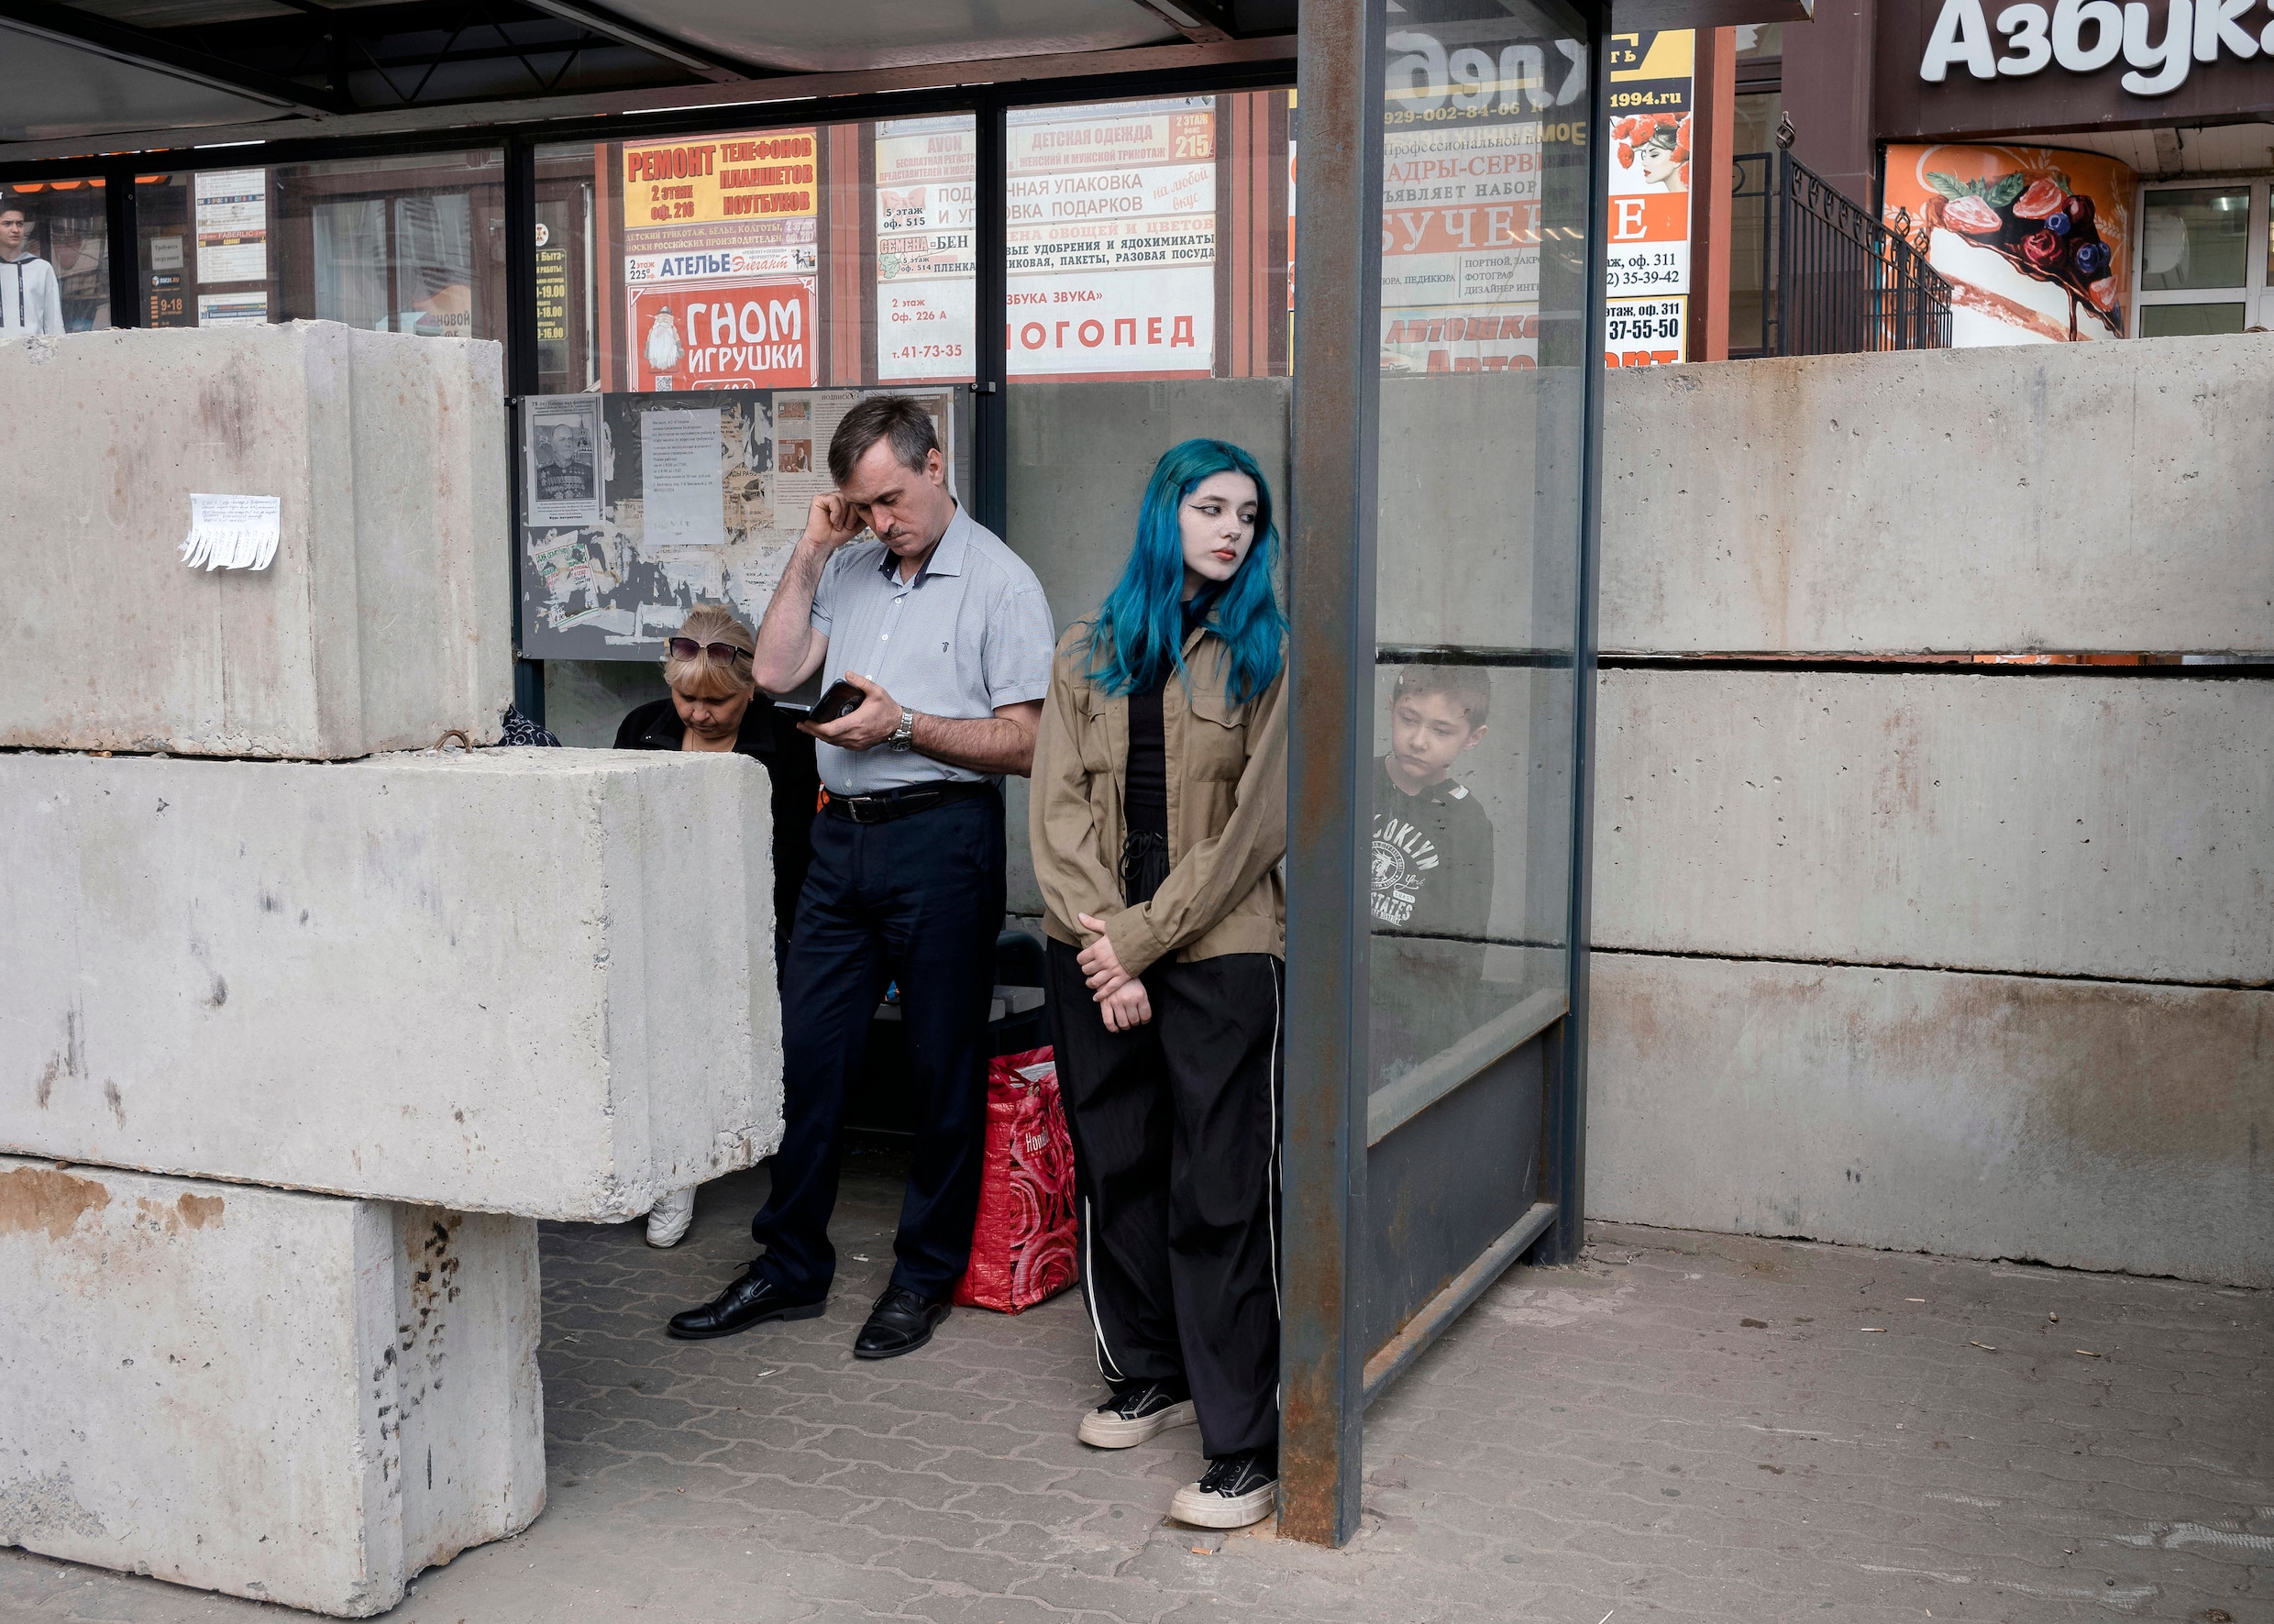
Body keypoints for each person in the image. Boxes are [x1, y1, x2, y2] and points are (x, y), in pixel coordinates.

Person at [667, 396, 1054, 1358]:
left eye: (889, 498)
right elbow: (775, 667)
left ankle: (923, 1277)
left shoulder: (1002, 584)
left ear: (934, 463)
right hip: (840, 842)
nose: (881, 520)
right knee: (806, 1055)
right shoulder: (846, 566)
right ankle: (790, 1263)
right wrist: (809, 548)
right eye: (861, 505)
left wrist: (906, 725)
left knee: (939, 1069)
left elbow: (1029, 743)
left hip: (941, 840)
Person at [1030, 438, 1289, 1530]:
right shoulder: (1088, 648)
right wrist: (1103, 944)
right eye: (1209, 507)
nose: (1230, 530)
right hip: (1093, 942)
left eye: (1248, 516)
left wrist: (1140, 941)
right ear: (1164, 515)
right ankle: (1149, 1368)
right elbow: (1056, 810)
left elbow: (1252, 831)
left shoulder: (1271, 652)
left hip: (1216, 946)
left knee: (1218, 1192)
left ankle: (1245, 1443)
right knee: (1119, 1166)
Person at [614, 604, 820, 1247]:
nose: (698, 713)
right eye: (685, 696)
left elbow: (797, 854)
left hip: (752, 923)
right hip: (662, 917)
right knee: (662, 1044)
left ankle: (735, 1164)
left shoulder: (788, 745)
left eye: (717, 702)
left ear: (752, 687)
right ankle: (673, 1175)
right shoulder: (642, 729)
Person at [1369, 667, 1496, 1082]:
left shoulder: (1466, 821)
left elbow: (1462, 944)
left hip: (1417, 1019)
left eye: (1442, 730)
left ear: (1472, 737)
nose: (1418, 740)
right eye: (1409, 719)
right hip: (1341, 1000)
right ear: (1390, 711)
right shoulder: (1353, 783)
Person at [0, 204, 64, 337]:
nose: (15, 229)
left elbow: (53, 321)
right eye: (7, 224)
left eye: (20, 224)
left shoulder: (41, 268)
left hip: (34, 351)